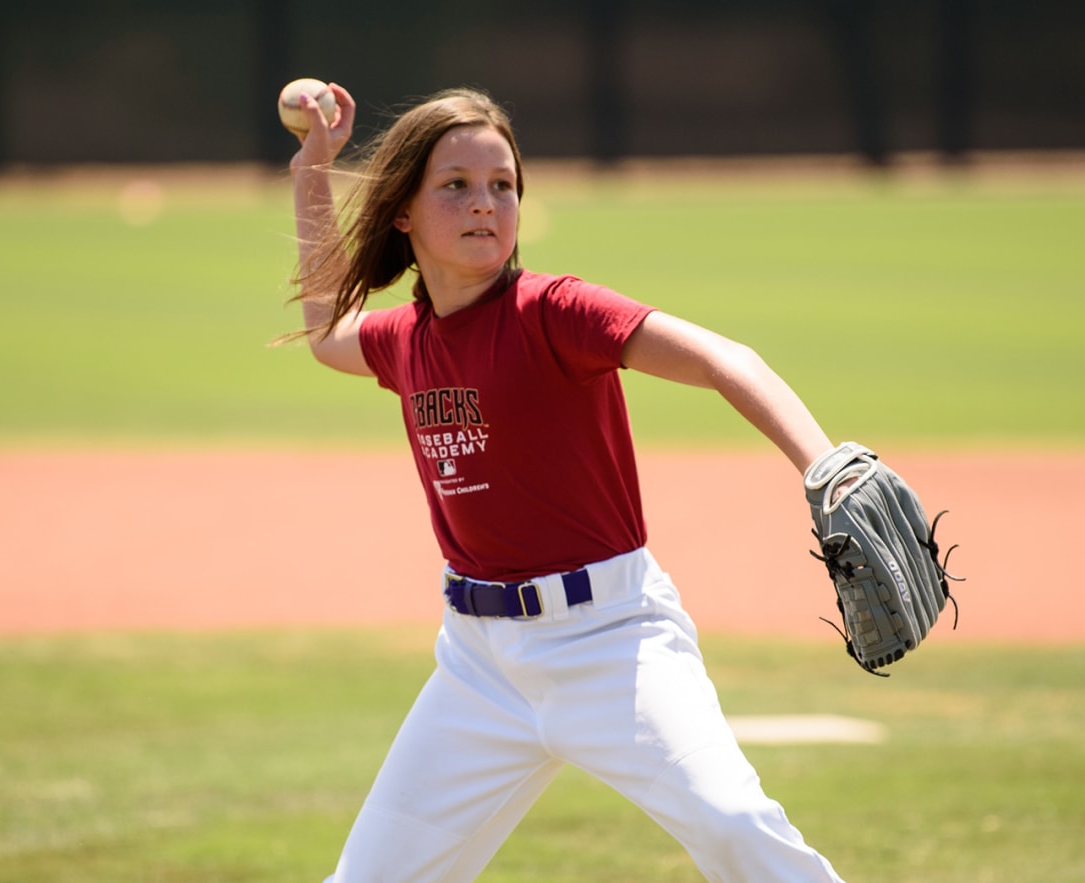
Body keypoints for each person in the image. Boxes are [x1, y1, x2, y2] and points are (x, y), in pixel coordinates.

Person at [286, 84, 848, 882]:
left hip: (613, 643)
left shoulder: (552, 311)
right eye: (455, 185)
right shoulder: (405, 340)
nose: (485, 204)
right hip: (478, 666)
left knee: (734, 827)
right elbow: (324, 332)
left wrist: (822, 464)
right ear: (403, 212)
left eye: (503, 185)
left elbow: (729, 360)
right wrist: (313, 169)